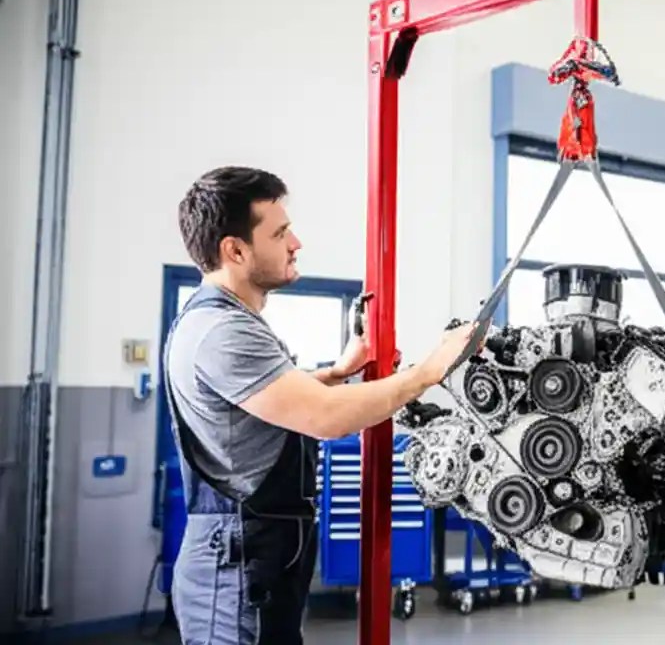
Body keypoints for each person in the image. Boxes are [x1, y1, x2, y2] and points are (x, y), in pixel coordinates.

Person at [163, 165, 476, 644]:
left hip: (258, 558)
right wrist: (430, 370)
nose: (296, 243)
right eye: (281, 231)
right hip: (236, 568)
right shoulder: (223, 331)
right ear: (235, 249)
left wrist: (338, 372)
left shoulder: (224, 320)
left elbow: (270, 399)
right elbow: (323, 419)